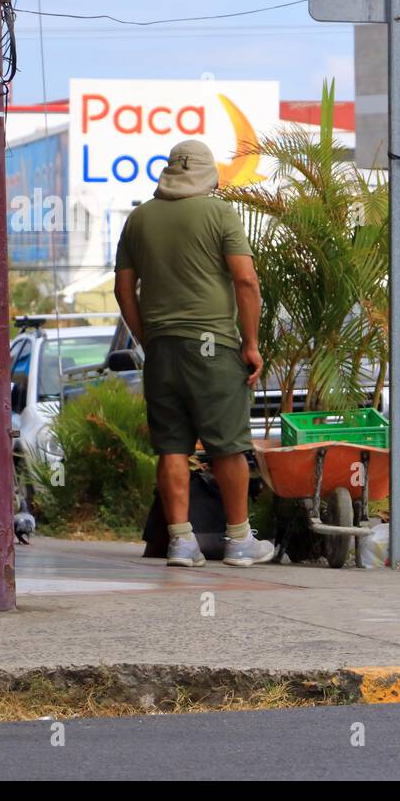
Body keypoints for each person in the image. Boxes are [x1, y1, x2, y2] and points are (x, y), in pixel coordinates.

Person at [113, 139, 275, 568]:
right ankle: (239, 540)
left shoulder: (139, 219)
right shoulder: (220, 213)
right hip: (212, 345)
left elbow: (123, 289)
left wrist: (148, 337)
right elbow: (245, 281)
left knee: (172, 446)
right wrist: (251, 344)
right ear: (210, 175)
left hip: (162, 348)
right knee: (227, 445)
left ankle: (181, 541)